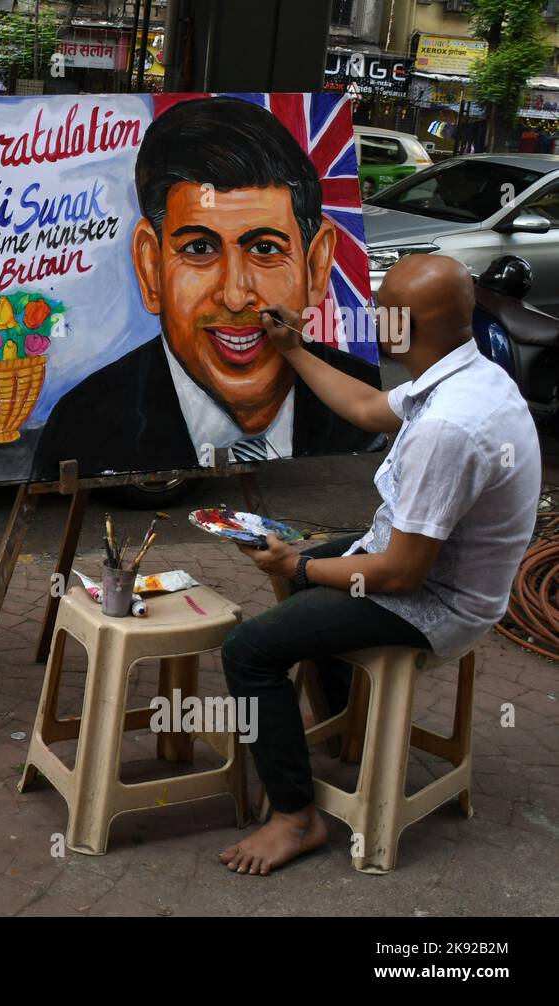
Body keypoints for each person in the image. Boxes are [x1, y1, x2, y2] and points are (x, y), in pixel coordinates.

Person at [218, 254, 541, 875]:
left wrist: (299, 569)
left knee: (248, 649)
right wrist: (292, 349)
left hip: (436, 599)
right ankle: (349, 728)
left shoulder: (449, 426)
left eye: (381, 309)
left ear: (404, 327)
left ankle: (295, 816)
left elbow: (398, 574)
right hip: (419, 562)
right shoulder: (466, 370)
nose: (370, 317)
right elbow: (368, 407)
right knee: (302, 574)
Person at [32, 97, 378, 481]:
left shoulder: (364, 412)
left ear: (316, 267)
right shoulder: (83, 429)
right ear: (151, 268)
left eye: (265, 249)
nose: (235, 296)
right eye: (199, 249)